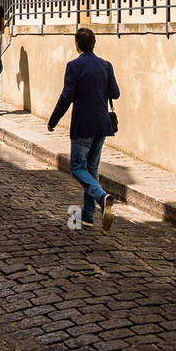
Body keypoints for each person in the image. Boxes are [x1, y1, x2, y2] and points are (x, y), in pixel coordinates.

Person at [47, 26, 119, 231]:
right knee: (92, 170)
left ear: (77, 45)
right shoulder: (106, 66)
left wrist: (53, 120)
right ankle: (87, 217)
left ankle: (102, 197)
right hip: (102, 124)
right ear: (93, 44)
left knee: (78, 168)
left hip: (83, 124)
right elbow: (116, 92)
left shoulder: (74, 66)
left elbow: (66, 97)